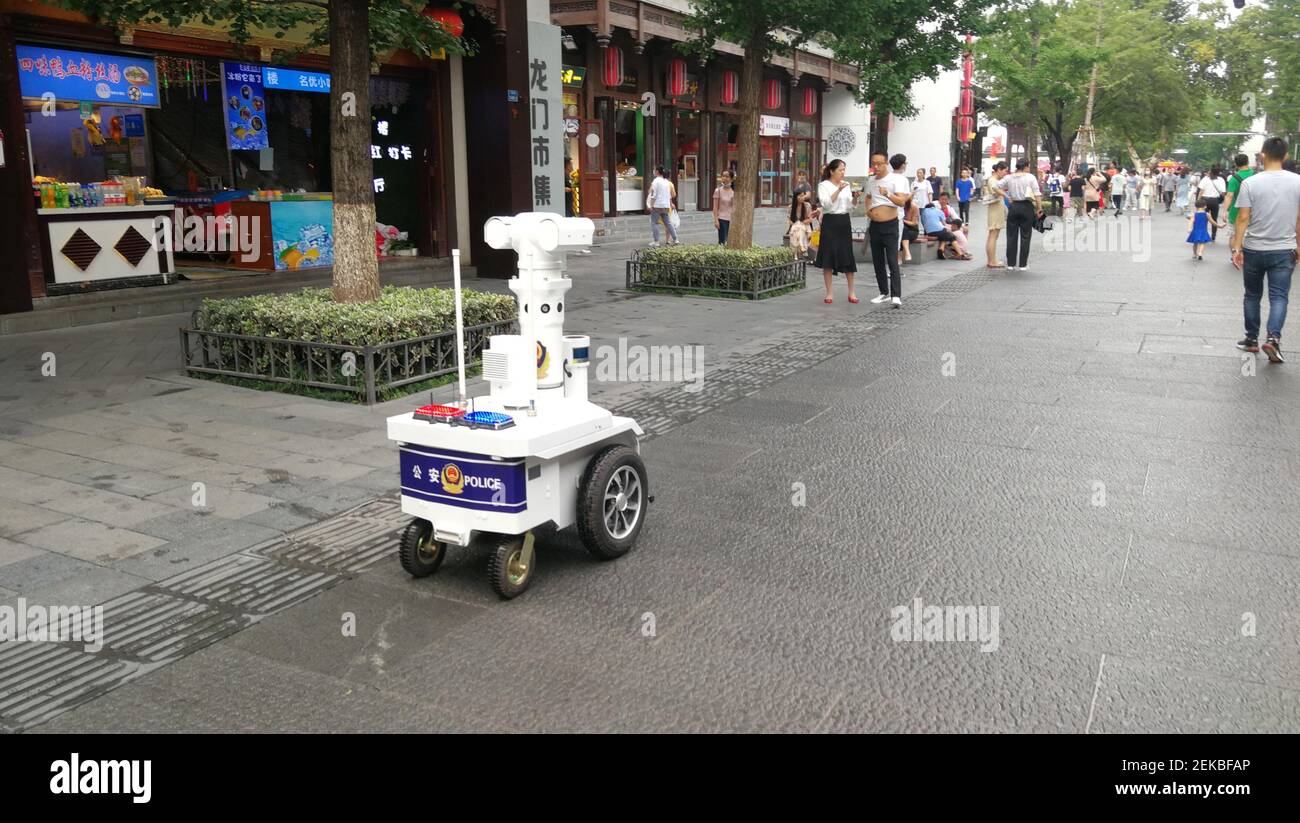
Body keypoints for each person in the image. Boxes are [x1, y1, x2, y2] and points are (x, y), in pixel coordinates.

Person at [1231, 136, 1300, 363]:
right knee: (1279, 296)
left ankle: (1251, 339)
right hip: (1284, 249)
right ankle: (1273, 338)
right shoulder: (1297, 182)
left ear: (1262, 155)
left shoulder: (1250, 183)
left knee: (1252, 295)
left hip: (1254, 249)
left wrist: (1236, 248)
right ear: (1286, 156)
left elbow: (1242, 218)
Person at [864, 152, 910, 306]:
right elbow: (868, 197)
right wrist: (868, 210)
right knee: (877, 261)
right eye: (873, 163)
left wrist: (888, 194)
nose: (876, 167)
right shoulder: (871, 180)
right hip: (875, 225)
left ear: (886, 164)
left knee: (892, 259)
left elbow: (902, 202)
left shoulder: (895, 179)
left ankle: (896, 295)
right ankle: (883, 292)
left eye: (879, 163)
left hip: (890, 224)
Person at [815, 159, 859, 304]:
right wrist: (838, 190)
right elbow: (826, 203)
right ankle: (829, 293)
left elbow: (850, 207)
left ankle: (852, 292)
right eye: (840, 170)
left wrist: (855, 199)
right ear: (832, 171)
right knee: (828, 256)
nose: (843, 172)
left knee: (847, 255)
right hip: (830, 221)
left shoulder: (846, 185)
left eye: (844, 170)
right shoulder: (823, 185)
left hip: (844, 221)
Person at [997, 157, 1044, 271]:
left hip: (1013, 207)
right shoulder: (1030, 177)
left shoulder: (1009, 177)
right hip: (1026, 207)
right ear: (1026, 166)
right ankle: (1022, 264)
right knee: (1025, 236)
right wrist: (1039, 209)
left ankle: (1010, 264)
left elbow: (996, 186)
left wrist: (1007, 196)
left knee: (1011, 236)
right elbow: (1037, 194)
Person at [1223, 154, 1256, 261]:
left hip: (1236, 212)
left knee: (1234, 235)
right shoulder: (1256, 175)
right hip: (1255, 211)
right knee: (1251, 235)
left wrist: (1224, 211)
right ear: (1247, 162)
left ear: (1236, 164)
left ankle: (1235, 255)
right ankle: (1248, 256)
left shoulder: (1234, 178)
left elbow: (1229, 195)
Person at [984, 161, 1009, 267]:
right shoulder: (992, 180)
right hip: (995, 209)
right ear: (999, 170)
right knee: (993, 235)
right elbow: (995, 190)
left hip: (996, 208)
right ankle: (992, 261)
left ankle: (991, 260)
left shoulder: (993, 180)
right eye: (1005, 171)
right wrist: (1006, 195)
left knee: (993, 235)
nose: (1005, 173)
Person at [647, 166, 677, 246]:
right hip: (666, 205)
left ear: (657, 171)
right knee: (668, 223)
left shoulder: (655, 181)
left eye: (655, 170)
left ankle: (656, 241)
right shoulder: (666, 181)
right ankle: (675, 239)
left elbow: (653, 194)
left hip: (657, 205)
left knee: (654, 223)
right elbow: (669, 194)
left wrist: (651, 205)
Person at [1196, 166, 1227, 242]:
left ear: (1211, 172)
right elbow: (1223, 192)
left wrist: (1198, 201)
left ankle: (1204, 234)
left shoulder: (1205, 179)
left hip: (1204, 201)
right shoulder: (1221, 180)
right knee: (1214, 218)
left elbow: (1201, 191)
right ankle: (1213, 236)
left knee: (1204, 218)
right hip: (1215, 201)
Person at [787, 186, 815, 261]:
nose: (803, 197)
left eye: (803, 195)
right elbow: (789, 220)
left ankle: (796, 253)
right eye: (800, 196)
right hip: (795, 226)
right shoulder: (791, 207)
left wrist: (802, 223)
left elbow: (810, 219)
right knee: (798, 229)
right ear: (796, 197)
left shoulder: (807, 206)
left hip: (805, 225)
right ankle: (802, 247)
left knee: (799, 228)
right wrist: (796, 224)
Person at [712, 169, 734, 245]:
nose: (724, 178)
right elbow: (715, 207)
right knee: (722, 242)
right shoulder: (718, 190)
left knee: (731, 242)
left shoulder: (734, 192)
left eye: (727, 176)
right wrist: (716, 220)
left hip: (732, 219)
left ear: (731, 179)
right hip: (722, 219)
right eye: (723, 176)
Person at [899, 196, 920, 264]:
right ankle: (907, 253)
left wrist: (903, 221)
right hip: (901, 229)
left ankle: (900, 257)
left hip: (912, 229)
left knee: (903, 231)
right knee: (900, 232)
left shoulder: (914, 207)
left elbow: (914, 223)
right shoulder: (898, 207)